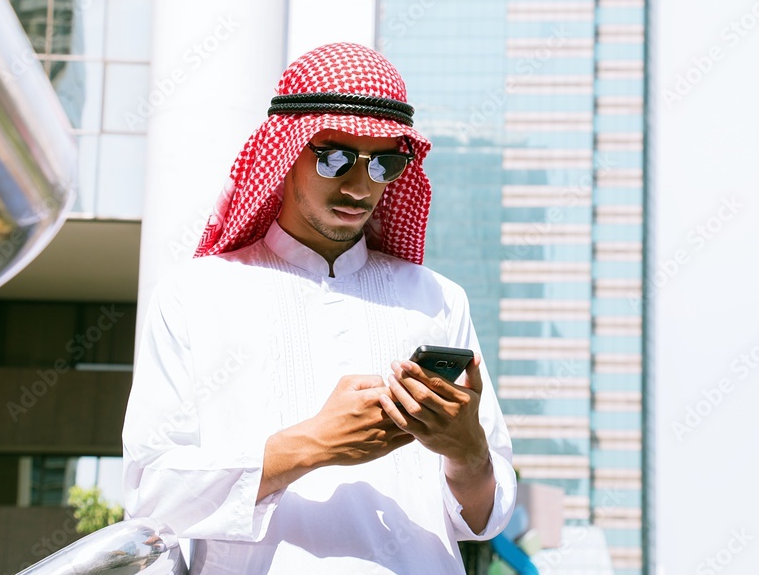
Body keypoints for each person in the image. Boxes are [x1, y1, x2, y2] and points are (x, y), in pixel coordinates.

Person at [121, 42, 516, 574]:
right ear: (284, 154)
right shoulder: (198, 293)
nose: (359, 185)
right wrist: (313, 444)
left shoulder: (438, 298)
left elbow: (486, 519)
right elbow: (152, 501)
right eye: (335, 156)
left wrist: (468, 453)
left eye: (384, 163)